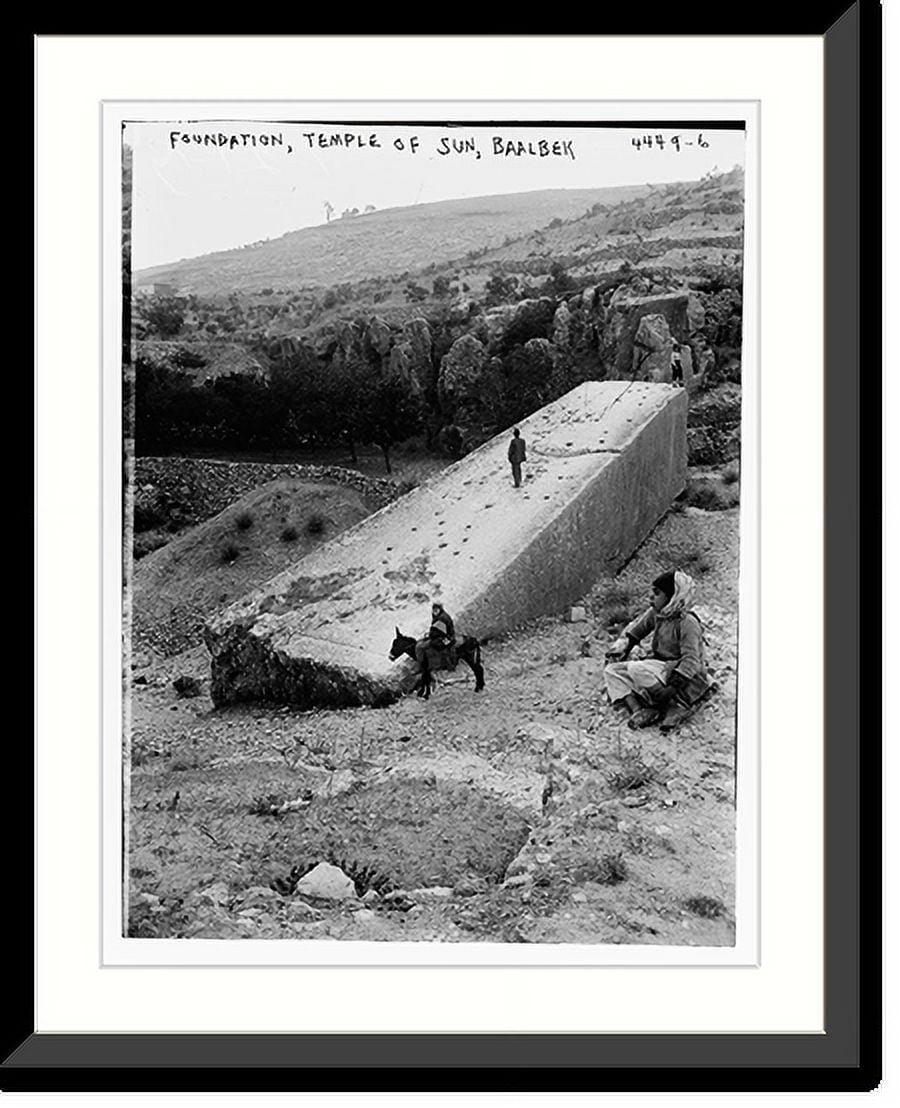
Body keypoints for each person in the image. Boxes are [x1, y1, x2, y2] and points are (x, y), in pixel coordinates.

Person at [604, 570, 710, 730]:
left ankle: (672, 704)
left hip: (679, 674)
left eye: (657, 593)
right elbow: (638, 630)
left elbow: (691, 661)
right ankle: (639, 710)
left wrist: (671, 689)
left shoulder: (687, 623)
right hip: (660, 667)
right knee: (612, 670)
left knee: (635, 669)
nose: (651, 597)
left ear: (672, 597)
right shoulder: (658, 613)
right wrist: (625, 649)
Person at [414, 600, 457, 674]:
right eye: (433, 609)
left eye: (436, 609)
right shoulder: (439, 615)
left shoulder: (442, 618)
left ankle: (421, 666)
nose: (434, 611)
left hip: (445, 638)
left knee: (419, 647)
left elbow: (438, 631)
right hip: (442, 635)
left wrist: (430, 636)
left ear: (440, 609)